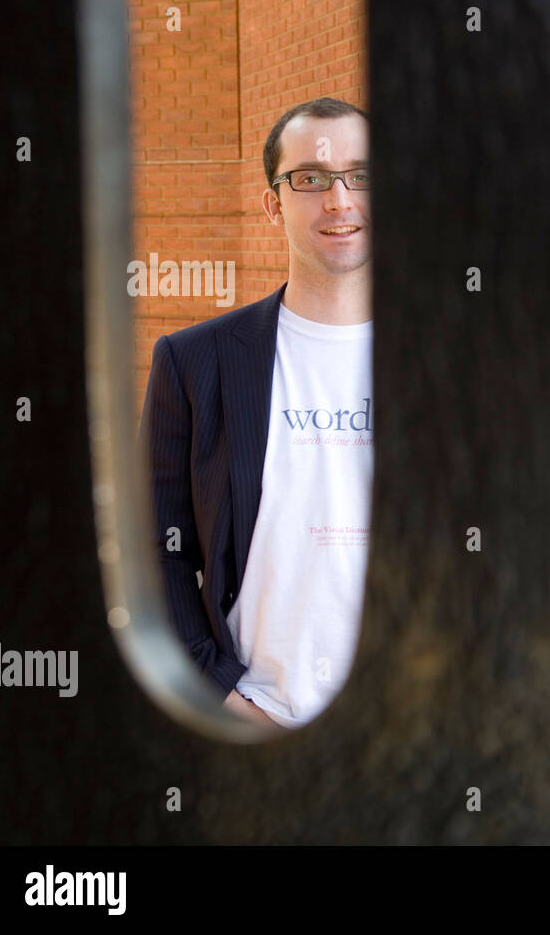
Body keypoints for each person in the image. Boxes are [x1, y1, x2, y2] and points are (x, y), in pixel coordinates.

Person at [140, 97, 373, 730]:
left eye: (362, 175)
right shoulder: (194, 362)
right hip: (260, 730)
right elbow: (155, 550)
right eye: (310, 179)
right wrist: (225, 698)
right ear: (273, 202)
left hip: (412, 735)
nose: (339, 200)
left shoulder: (444, 360)